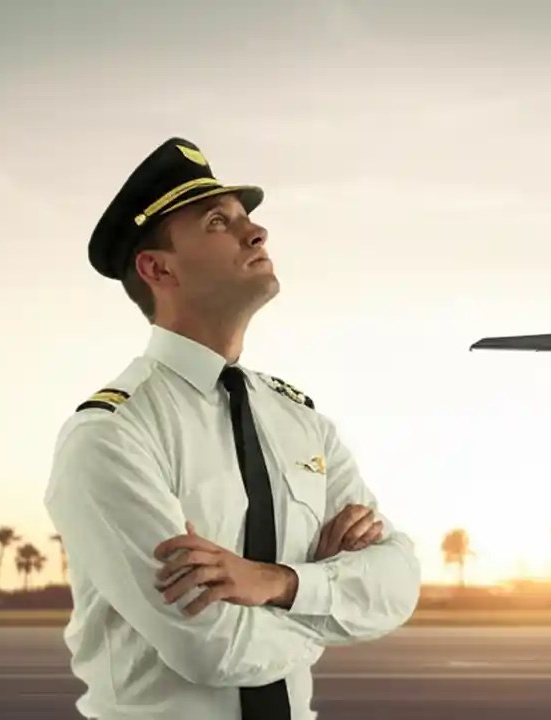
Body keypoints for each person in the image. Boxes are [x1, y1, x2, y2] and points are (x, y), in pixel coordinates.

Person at [43, 137, 421, 720]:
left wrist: (274, 583)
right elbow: (209, 646)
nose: (257, 234)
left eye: (249, 219)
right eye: (219, 222)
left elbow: (397, 584)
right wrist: (326, 609)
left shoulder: (299, 420)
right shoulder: (112, 435)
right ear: (158, 268)